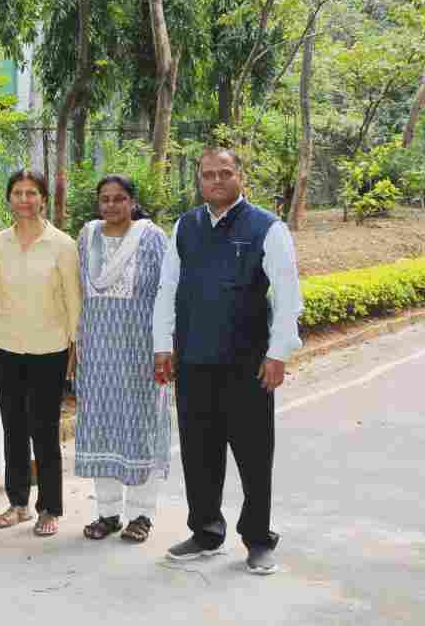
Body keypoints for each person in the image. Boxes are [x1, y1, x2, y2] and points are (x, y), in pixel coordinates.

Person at [153, 147, 302, 575]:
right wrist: (163, 345)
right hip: (195, 360)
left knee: (254, 456)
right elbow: (168, 291)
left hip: (247, 365)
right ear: (198, 180)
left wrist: (278, 353)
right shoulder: (185, 227)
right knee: (199, 453)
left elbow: (288, 295)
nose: (215, 181)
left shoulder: (267, 228)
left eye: (224, 173)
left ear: (241, 177)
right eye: (207, 175)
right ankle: (205, 531)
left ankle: (258, 539)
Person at [74, 175, 172, 545]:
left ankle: (142, 514)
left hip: (140, 349)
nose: (111, 205)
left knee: (140, 426)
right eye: (105, 199)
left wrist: (167, 346)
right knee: (103, 425)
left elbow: (167, 293)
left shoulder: (152, 238)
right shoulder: (87, 237)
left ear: (132, 201)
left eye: (119, 198)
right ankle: (108, 512)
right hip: (98, 351)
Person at [0, 168, 81, 537]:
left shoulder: (62, 244)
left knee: (44, 430)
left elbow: (74, 301)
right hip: (5, 346)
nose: (24, 200)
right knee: (13, 428)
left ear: (43, 198)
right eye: (18, 193)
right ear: (9, 198)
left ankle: (50, 507)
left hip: (49, 349)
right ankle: (18, 503)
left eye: (31, 193)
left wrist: (74, 348)